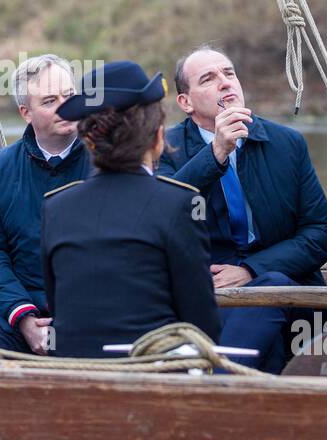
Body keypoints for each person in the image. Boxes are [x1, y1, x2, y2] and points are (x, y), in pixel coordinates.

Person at [158, 46, 327, 372]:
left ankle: (218, 385)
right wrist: (215, 153)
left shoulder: (287, 143)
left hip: (288, 289)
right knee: (268, 347)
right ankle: (229, 387)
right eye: (208, 79)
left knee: (274, 292)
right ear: (185, 102)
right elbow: (161, 218)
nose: (225, 82)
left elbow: (321, 233)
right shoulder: (165, 149)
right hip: (207, 296)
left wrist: (251, 270)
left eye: (229, 73)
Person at [42, 61, 220, 358]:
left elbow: (59, 308)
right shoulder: (179, 205)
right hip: (153, 375)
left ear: (88, 141)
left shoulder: (55, 207)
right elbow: (203, 326)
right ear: (158, 137)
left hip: (73, 375)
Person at [0, 54, 91, 354]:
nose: (65, 107)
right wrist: (23, 316)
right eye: (49, 101)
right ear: (26, 113)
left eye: (69, 96)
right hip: (15, 309)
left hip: (91, 308)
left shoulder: (107, 160)